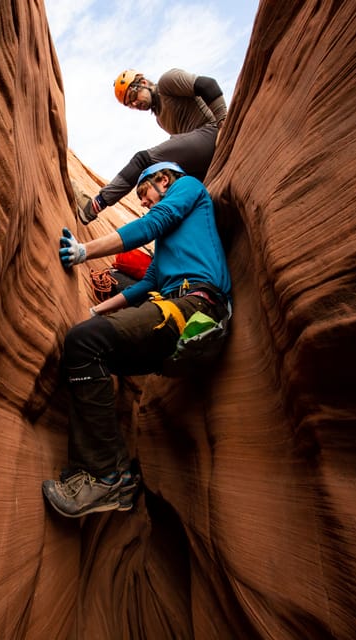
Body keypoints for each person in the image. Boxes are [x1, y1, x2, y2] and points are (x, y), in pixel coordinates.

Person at [43, 162, 233, 517]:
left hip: (196, 306)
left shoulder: (188, 187)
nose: (143, 203)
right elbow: (146, 284)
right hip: (180, 312)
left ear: (163, 179)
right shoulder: (168, 246)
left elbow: (152, 223)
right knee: (89, 355)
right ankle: (118, 475)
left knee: (84, 343)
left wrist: (85, 251)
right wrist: (96, 311)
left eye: (144, 195)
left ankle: (103, 477)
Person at [78, 68, 228, 225]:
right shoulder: (159, 119)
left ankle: (94, 206)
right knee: (167, 189)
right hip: (202, 158)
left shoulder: (167, 82)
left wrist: (223, 124)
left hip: (212, 133)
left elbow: (207, 84)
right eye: (130, 105)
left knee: (142, 160)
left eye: (133, 96)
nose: (135, 104)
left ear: (143, 83)